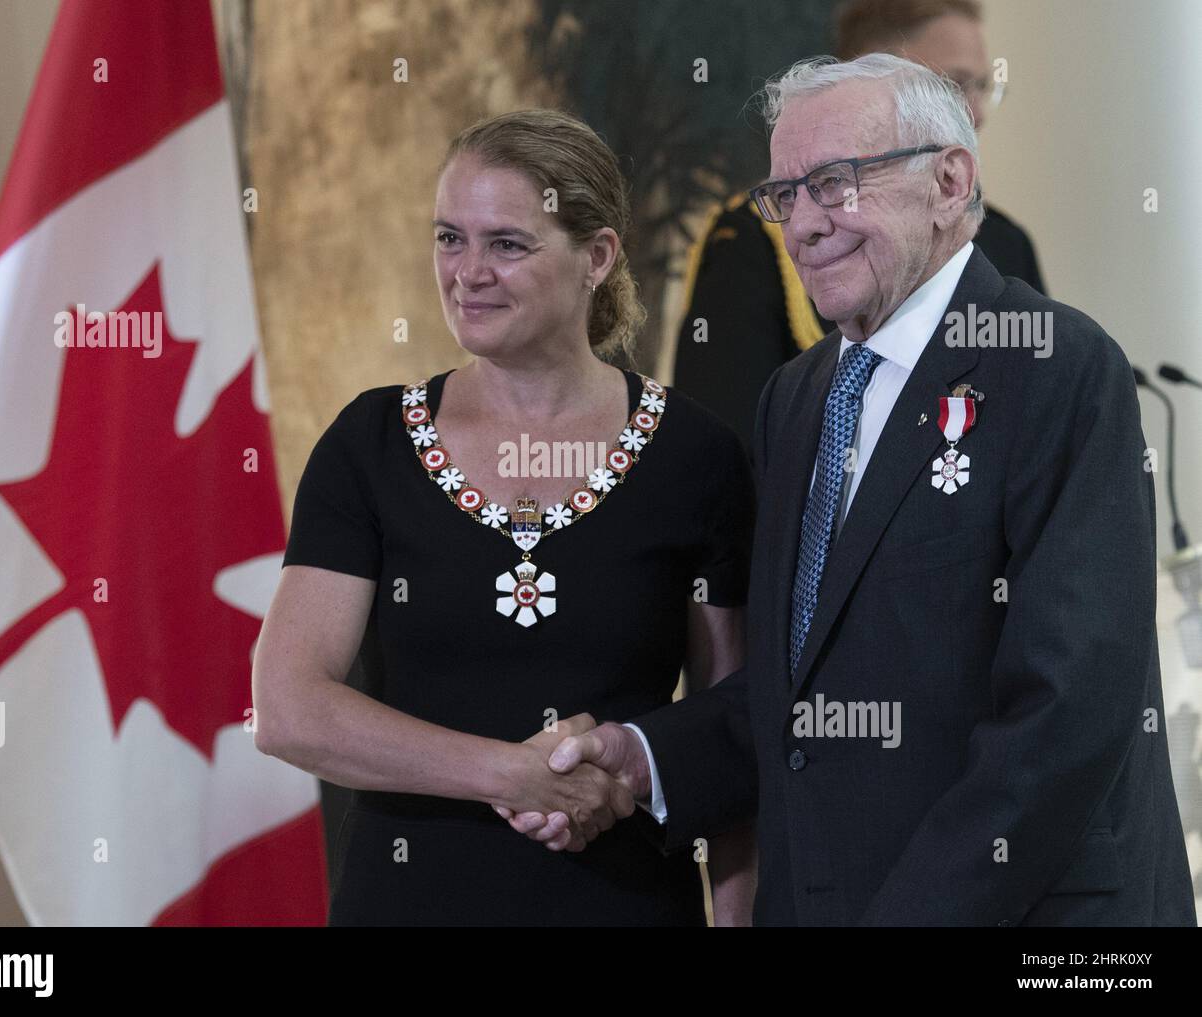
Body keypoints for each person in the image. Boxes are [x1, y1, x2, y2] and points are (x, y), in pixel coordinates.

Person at [505, 55, 1197, 926]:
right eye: (783, 195)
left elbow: (1065, 716)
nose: (802, 225)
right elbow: (800, 695)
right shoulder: (795, 400)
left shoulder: (1054, 365)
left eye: (834, 183)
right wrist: (640, 754)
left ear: (950, 180)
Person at [251, 108, 756, 925]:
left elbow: (734, 738)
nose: (468, 272)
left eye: (507, 243)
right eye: (449, 238)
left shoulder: (697, 456)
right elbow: (287, 708)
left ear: (597, 258)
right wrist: (508, 772)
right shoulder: (369, 444)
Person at [674, 0, 1045, 454]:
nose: (978, 112)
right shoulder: (753, 242)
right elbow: (731, 450)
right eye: (952, 87)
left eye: (981, 86)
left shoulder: (1006, 244)